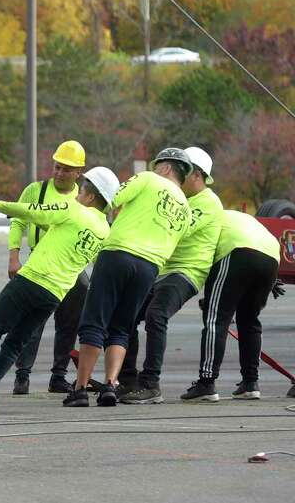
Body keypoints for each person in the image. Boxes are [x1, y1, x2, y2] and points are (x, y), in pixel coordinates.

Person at [0, 166, 118, 413]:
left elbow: (32, 211)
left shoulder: (73, 210)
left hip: (32, 280)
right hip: (54, 294)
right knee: (15, 342)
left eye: (81, 191)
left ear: (92, 197)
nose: (76, 195)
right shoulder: (105, 231)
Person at [66, 148, 192, 407]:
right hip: (149, 267)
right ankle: (111, 384)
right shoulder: (187, 211)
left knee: (94, 321)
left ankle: (79, 389)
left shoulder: (148, 178)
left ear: (167, 168)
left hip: (119, 253)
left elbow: (111, 197)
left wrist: (80, 204)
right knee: (122, 327)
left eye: (159, 165)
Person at [120, 147, 224, 404]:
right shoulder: (180, 197)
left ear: (197, 175)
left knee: (156, 314)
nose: (176, 178)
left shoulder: (208, 202)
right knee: (125, 314)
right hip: (161, 271)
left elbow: (178, 229)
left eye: (183, 173)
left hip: (186, 272)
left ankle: (150, 384)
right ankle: (127, 381)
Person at [5, 140, 89, 395]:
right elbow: (18, 222)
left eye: (66, 169)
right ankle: (22, 375)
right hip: (39, 262)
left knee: (69, 322)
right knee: (32, 321)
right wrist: (14, 256)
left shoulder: (84, 198)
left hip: (70, 267)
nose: (60, 173)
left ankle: (59, 375)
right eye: (57, 167)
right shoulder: (35, 191)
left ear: (79, 173)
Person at [181, 210, 283, 402]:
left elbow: (202, 256)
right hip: (270, 257)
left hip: (238, 249)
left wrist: (210, 300)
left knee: (216, 319)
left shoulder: (206, 218)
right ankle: (250, 383)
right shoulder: (236, 216)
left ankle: (206, 383)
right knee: (249, 320)